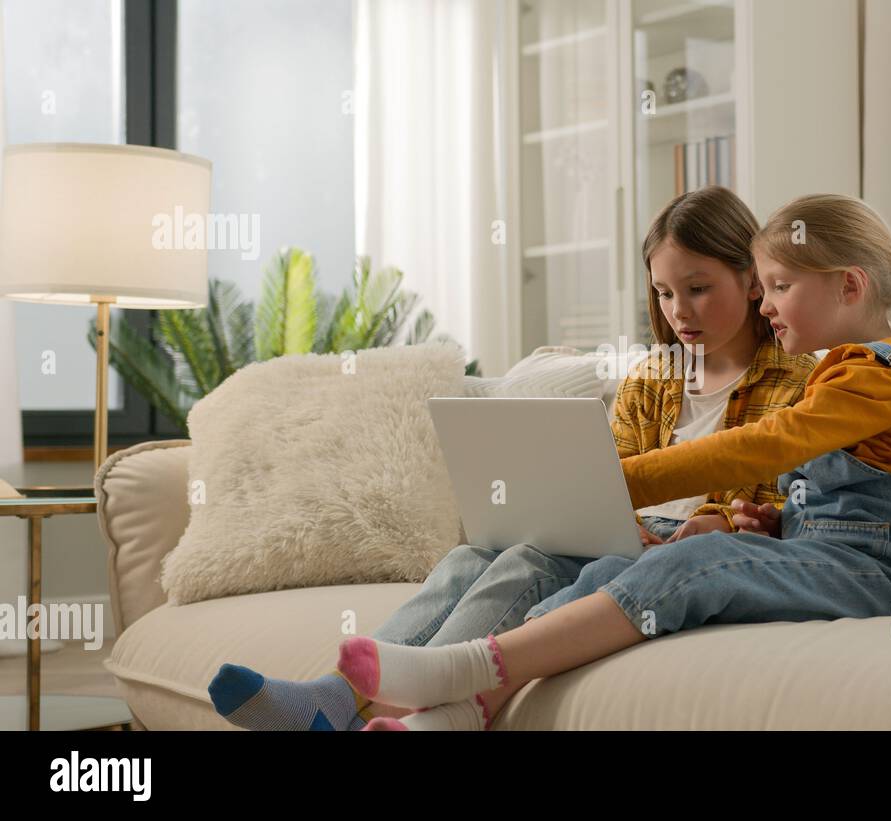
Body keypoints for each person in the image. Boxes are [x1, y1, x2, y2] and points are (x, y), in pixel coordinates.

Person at [339, 193, 891, 731]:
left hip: (884, 577)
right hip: (835, 556)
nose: (766, 303)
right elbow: (826, 493)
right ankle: (458, 710)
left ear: (849, 286)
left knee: (689, 561)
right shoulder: (844, 373)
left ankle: (467, 667)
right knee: (604, 566)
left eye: (779, 286)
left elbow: (766, 445)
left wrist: (618, 484)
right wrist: (769, 522)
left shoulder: (882, 373)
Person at [207, 186, 818, 731]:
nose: (678, 311)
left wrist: (728, 523)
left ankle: (381, 706)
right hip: (625, 534)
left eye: (698, 289)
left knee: (526, 561)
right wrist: (592, 512)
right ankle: (337, 694)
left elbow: (793, 512)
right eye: (663, 293)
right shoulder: (651, 379)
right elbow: (609, 481)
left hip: (686, 561)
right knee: (471, 554)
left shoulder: (797, 382)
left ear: (751, 279)